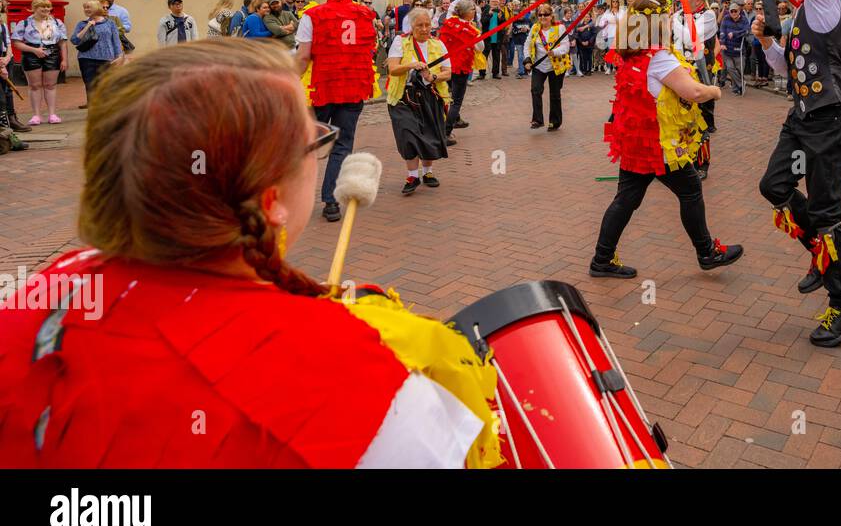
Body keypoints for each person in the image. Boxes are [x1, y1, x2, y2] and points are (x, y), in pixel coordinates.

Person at [0, 40, 501, 468]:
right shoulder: (359, 382)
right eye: (316, 146)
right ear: (271, 202)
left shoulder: (46, 287)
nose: (324, 151)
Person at [740, 0, 841, 348]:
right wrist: (768, 45)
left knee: (828, 211)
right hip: (801, 119)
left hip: (832, 119)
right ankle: (818, 250)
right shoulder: (798, 19)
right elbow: (783, 71)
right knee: (775, 186)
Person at [590, 0, 739, 279]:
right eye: (666, 17)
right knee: (691, 191)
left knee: (626, 200)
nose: (670, 21)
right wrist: (715, 91)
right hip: (658, 146)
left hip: (637, 143)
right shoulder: (658, 58)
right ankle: (707, 252)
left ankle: (601, 259)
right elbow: (693, 92)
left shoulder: (631, 53)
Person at [294, 0, 378, 223]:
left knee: (311, 143)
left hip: (323, 85)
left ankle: (296, 194)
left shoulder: (312, 15)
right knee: (342, 144)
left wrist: (290, 81)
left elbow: (303, 56)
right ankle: (331, 202)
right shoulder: (364, 13)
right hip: (352, 85)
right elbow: (370, 49)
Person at [385, 7, 450, 194]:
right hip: (404, 96)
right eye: (419, 25)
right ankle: (412, 175)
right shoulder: (400, 41)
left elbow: (448, 72)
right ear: (412, 25)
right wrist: (411, 65)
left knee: (428, 134)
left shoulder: (438, 44)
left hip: (430, 95)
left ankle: (428, 172)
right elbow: (393, 69)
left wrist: (433, 78)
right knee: (408, 133)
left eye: (427, 24)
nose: (424, 28)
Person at [672, 0, 719, 134]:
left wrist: (675, 22)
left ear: (699, 0)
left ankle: (706, 126)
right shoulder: (679, 14)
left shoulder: (709, 15)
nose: (682, 0)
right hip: (682, 64)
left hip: (701, 64)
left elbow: (691, 38)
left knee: (704, 94)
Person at [12, 0, 67, 125]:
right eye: (43, 7)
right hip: (31, 54)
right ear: (35, 8)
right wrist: (34, 50)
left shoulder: (57, 23)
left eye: (48, 7)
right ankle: (36, 115)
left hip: (52, 54)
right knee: (34, 86)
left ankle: (52, 114)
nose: (47, 9)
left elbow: (62, 43)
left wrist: (64, 59)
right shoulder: (24, 23)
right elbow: (16, 42)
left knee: (50, 85)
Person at [438, 0, 482, 131]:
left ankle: (453, 120)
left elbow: (451, 7)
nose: (475, 12)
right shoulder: (472, 31)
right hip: (461, 68)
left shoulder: (449, 22)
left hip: (446, 66)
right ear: (466, 12)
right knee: (456, 101)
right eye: (473, 9)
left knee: (447, 96)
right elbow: (480, 48)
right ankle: (447, 130)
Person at [524, 4, 568, 131]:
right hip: (539, 65)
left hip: (556, 66)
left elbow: (565, 46)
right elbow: (527, 44)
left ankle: (555, 122)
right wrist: (527, 60)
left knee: (555, 94)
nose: (543, 17)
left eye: (546, 15)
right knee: (535, 90)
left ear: (551, 16)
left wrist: (555, 52)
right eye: (540, 15)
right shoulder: (535, 28)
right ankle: (538, 120)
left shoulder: (560, 27)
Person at [71, 0, 123, 103]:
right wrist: (87, 26)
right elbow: (74, 40)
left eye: (89, 7)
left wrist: (119, 57)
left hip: (107, 59)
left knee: (106, 87)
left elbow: (116, 41)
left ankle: (105, 112)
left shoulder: (110, 23)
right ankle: (93, 114)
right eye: (85, 7)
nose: (86, 9)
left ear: (97, 8)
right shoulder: (82, 24)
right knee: (90, 88)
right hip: (86, 59)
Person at [0, 0, 29, 132]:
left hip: (6, 59)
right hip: (1, 63)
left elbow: (8, 43)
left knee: (8, 90)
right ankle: (5, 126)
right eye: (5, 0)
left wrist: (7, 58)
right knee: (1, 97)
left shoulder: (2, 23)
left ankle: (12, 118)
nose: (8, 3)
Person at [719, 3, 748, 95]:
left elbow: (746, 31)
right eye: (732, 11)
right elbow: (722, 31)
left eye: (735, 11)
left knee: (740, 70)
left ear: (739, 11)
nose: (734, 13)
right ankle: (741, 85)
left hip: (739, 49)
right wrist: (722, 43)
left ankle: (736, 89)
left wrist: (735, 33)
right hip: (727, 50)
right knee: (730, 68)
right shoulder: (726, 18)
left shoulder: (743, 19)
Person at [479, 0, 506, 79]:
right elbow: (483, 22)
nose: (495, 3)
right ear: (490, 2)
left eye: (496, 2)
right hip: (487, 37)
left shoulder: (500, 12)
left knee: (496, 56)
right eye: (493, 2)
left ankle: (495, 73)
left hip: (497, 38)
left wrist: (501, 19)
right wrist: (489, 15)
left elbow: (504, 25)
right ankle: (482, 73)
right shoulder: (486, 11)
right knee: (484, 56)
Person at [509, 0, 532, 78]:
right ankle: (521, 71)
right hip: (518, 41)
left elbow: (532, 30)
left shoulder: (528, 21)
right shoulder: (515, 21)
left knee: (526, 56)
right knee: (520, 56)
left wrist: (527, 30)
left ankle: (526, 70)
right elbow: (513, 31)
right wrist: (519, 30)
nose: (522, 16)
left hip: (526, 41)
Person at [574, 12, 597, 77]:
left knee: (589, 57)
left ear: (590, 18)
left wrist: (589, 42)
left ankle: (589, 70)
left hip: (589, 44)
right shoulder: (580, 26)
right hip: (582, 44)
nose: (586, 18)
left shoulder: (592, 26)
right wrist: (581, 42)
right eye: (585, 17)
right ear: (583, 18)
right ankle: (583, 69)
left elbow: (594, 34)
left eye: (588, 17)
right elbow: (577, 35)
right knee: (583, 57)